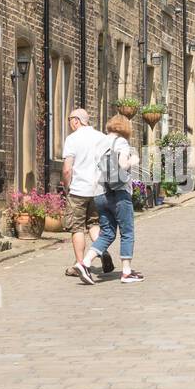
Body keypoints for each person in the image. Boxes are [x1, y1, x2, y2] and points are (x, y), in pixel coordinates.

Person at [82, 115, 143, 283]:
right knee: (127, 232)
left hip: (100, 193)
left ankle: (85, 263)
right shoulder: (121, 142)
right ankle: (126, 272)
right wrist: (134, 160)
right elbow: (123, 164)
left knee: (107, 233)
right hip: (119, 193)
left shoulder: (99, 143)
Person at [62, 108, 111, 284]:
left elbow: (68, 169)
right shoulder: (101, 138)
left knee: (77, 228)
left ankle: (81, 265)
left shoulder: (72, 139)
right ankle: (102, 251)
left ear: (76, 121)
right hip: (98, 189)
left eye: (70, 120)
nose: (69, 124)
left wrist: (67, 187)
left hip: (78, 190)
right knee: (94, 224)